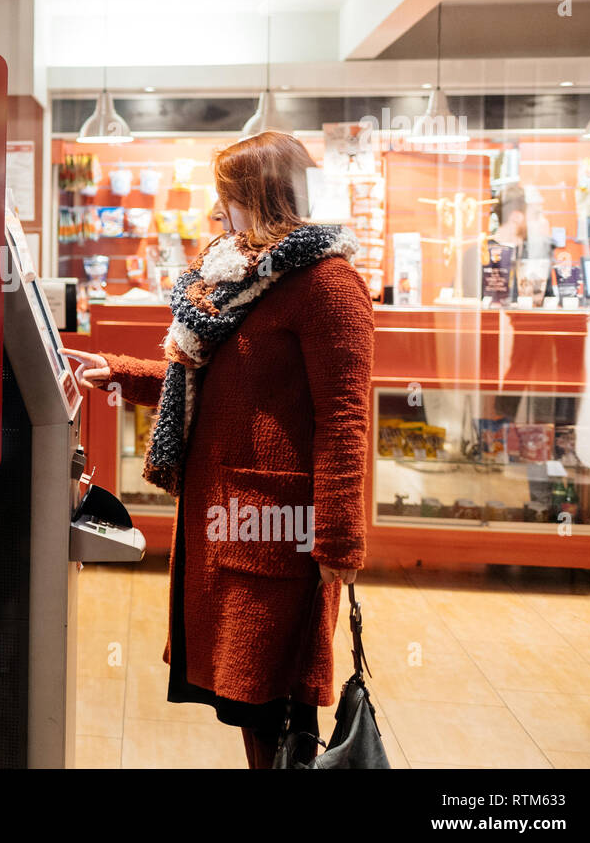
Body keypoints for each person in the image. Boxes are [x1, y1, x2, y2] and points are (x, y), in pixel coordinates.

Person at [61, 131, 373, 769]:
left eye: (225, 198)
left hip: (279, 534)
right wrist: (114, 371)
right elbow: (199, 381)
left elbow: (345, 418)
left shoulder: (328, 285)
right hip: (230, 524)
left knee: (277, 709)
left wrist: (341, 543)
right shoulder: (231, 280)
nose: (215, 213)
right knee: (250, 707)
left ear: (262, 198)